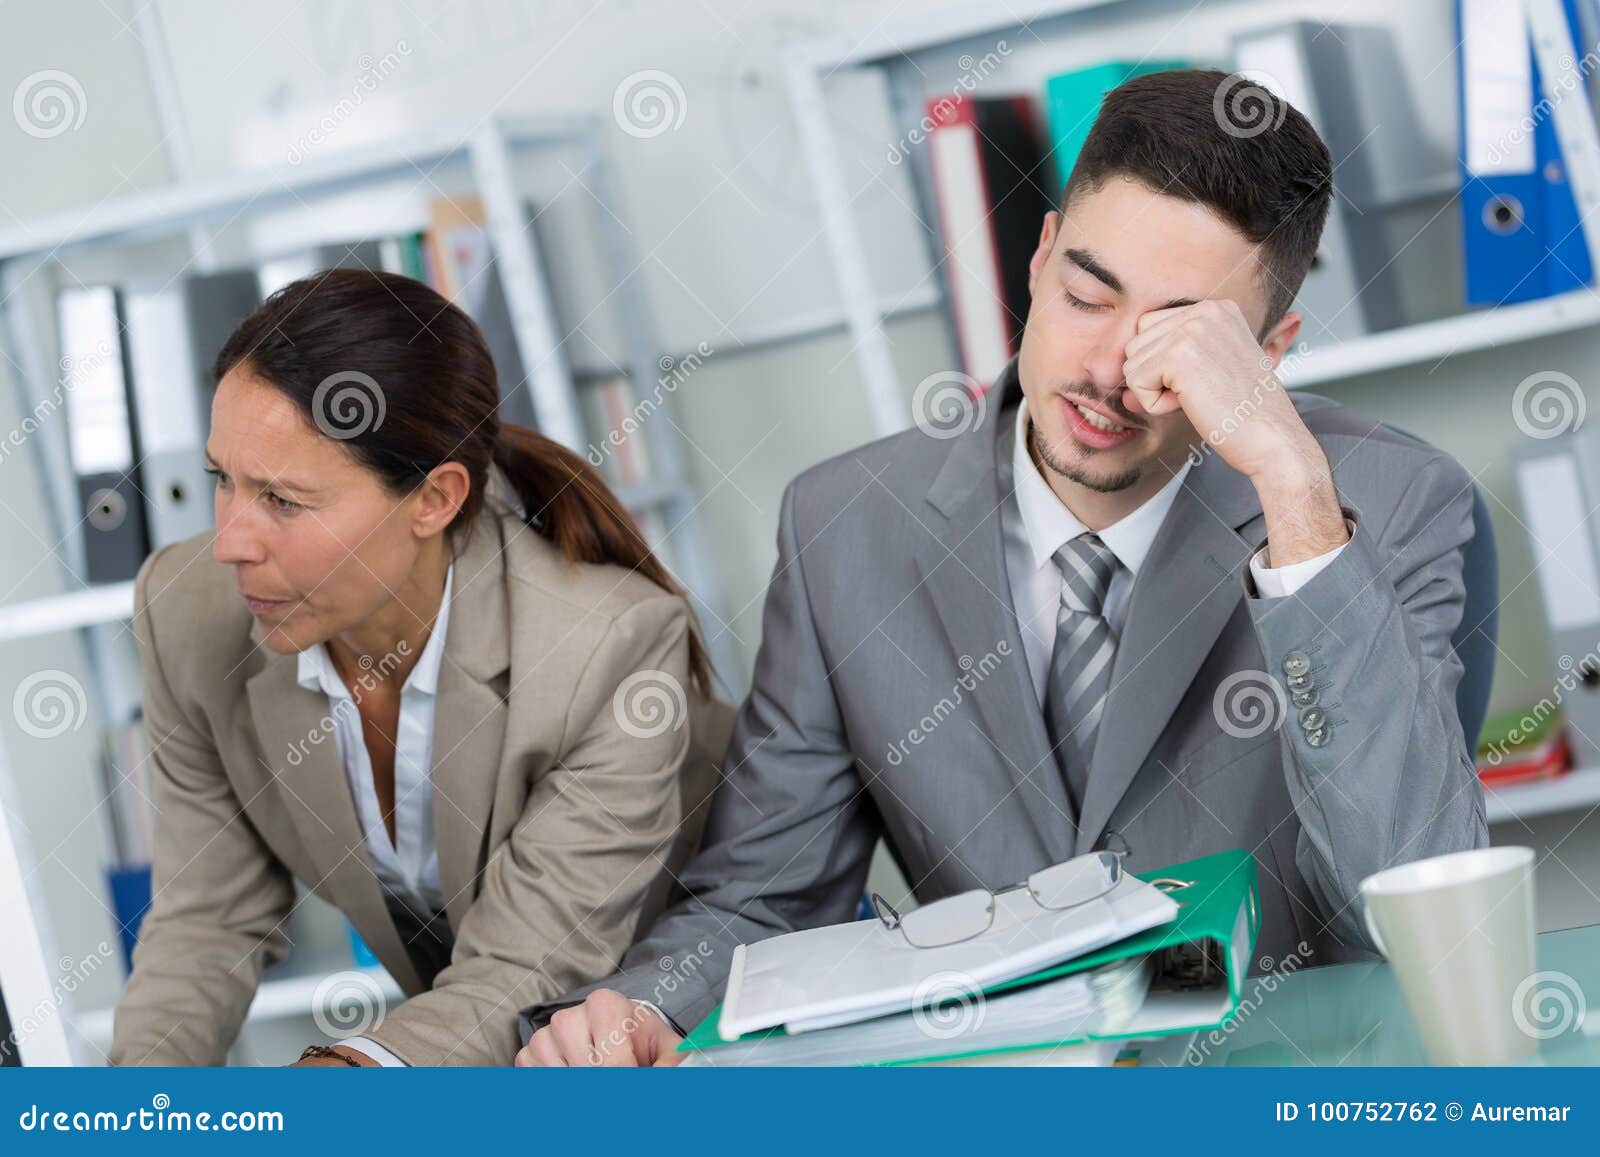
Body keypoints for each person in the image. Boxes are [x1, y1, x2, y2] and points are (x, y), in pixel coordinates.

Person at [515, 67, 1488, 1067]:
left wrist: (1291, 486)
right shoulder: (843, 526)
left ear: (1268, 352)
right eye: (1086, 296)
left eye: (1180, 338)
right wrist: (636, 1011)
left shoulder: (1384, 504)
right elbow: (766, 894)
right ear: (1039, 256)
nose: (1110, 372)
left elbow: (1414, 903)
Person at [108, 268, 733, 1067]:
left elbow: (523, 967)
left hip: (678, 1035)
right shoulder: (187, 612)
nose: (230, 540)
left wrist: (332, 1083)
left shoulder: (606, 646)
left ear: (434, 500)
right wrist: (131, 1111)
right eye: (221, 480)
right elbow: (206, 919)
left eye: (284, 500)